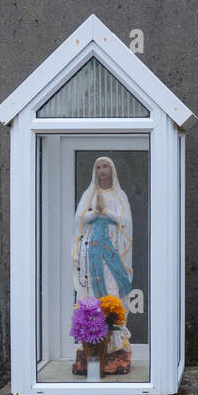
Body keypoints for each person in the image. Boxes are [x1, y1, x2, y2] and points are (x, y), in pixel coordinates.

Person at [71, 156, 132, 374]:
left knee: (112, 289)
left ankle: (115, 343)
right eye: (98, 166)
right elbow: (79, 219)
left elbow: (125, 222)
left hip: (112, 252)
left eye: (105, 166)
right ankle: (91, 341)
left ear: (112, 169)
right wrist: (94, 212)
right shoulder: (90, 195)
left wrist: (106, 212)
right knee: (92, 293)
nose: (102, 170)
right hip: (92, 251)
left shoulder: (119, 196)